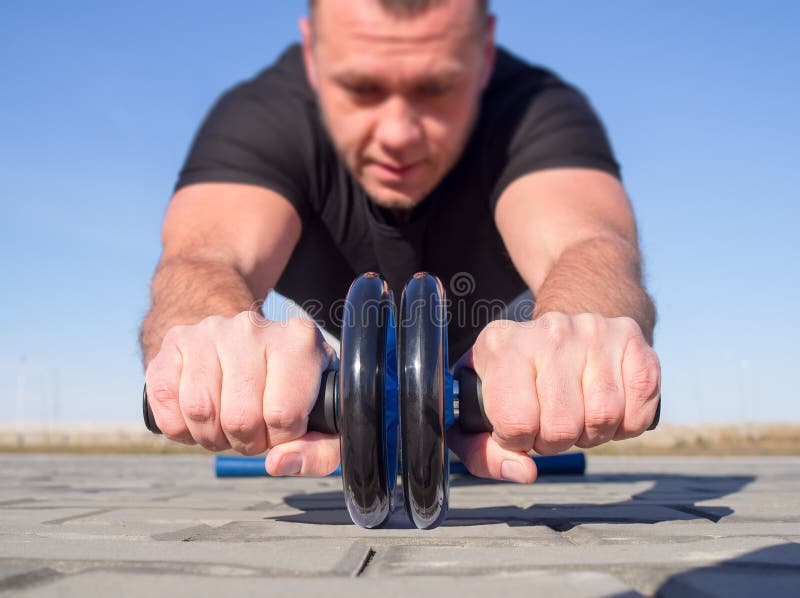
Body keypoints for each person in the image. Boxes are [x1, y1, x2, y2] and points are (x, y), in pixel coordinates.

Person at [140, 0, 661, 484]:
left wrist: (577, 342)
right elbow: (203, 260)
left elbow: (591, 246)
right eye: (361, 88)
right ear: (313, 56)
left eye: (435, 89)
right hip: (351, 359)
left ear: (483, 54)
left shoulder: (536, 110)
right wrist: (215, 353)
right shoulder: (261, 119)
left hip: (491, 359)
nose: (398, 134)